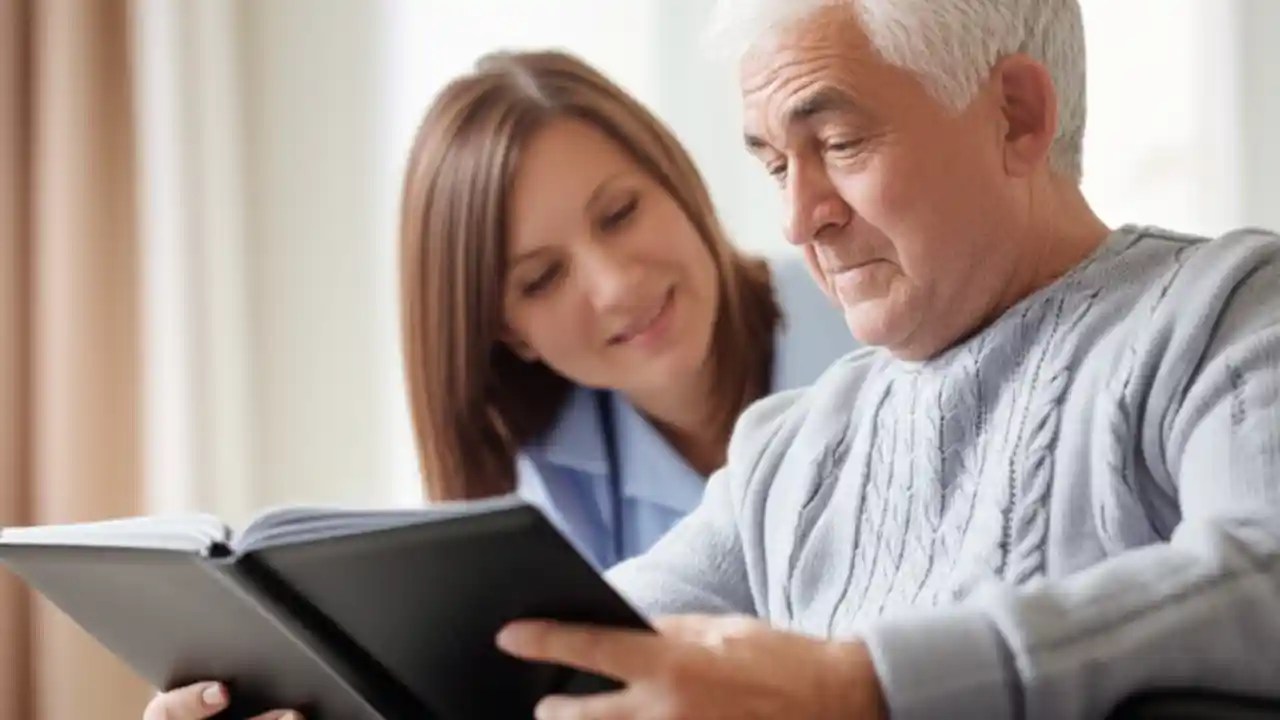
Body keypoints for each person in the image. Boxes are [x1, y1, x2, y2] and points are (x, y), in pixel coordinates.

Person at [141, 50, 856, 720]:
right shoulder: (540, 495)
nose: (615, 288)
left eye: (620, 213)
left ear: (676, 182)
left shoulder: (873, 328)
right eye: (543, 279)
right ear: (507, 331)